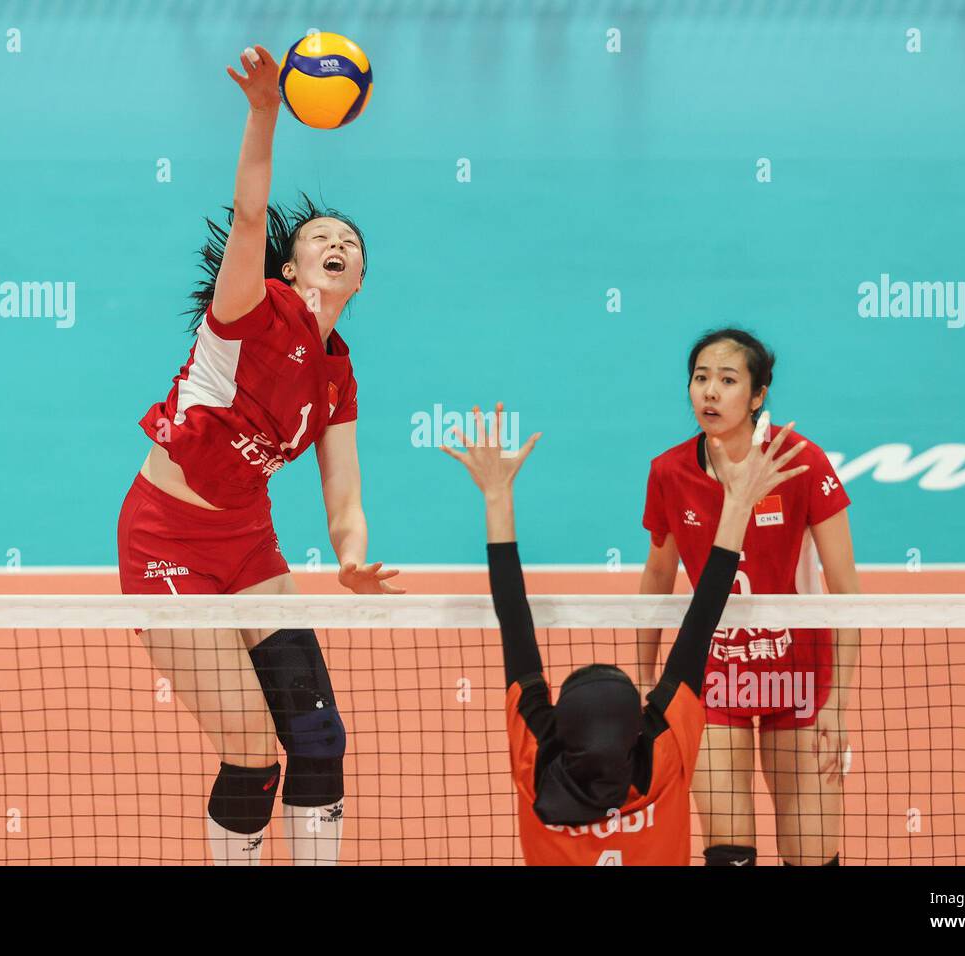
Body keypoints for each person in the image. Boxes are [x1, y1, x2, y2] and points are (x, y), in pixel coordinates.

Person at [116, 44, 402, 866]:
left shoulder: (339, 375)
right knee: (253, 749)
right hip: (167, 543)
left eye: (349, 239)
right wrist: (265, 111)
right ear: (292, 265)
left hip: (249, 546)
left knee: (319, 737)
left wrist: (351, 559)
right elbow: (248, 216)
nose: (337, 241)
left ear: (357, 278)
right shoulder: (246, 312)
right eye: (320, 236)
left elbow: (343, 498)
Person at [443, 403, 809, 865]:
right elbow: (705, 615)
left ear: (557, 729)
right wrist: (737, 506)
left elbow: (513, 623)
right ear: (638, 730)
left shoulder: (537, 767)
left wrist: (496, 496)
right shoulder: (661, 759)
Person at [636, 329, 861, 866]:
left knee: (811, 856)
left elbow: (846, 590)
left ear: (758, 395)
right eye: (700, 378)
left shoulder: (803, 462)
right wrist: (648, 680)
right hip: (715, 677)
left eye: (728, 380)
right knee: (729, 855)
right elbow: (656, 576)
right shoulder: (669, 472)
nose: (709, 392)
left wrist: (838, 702)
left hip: (799, 678)